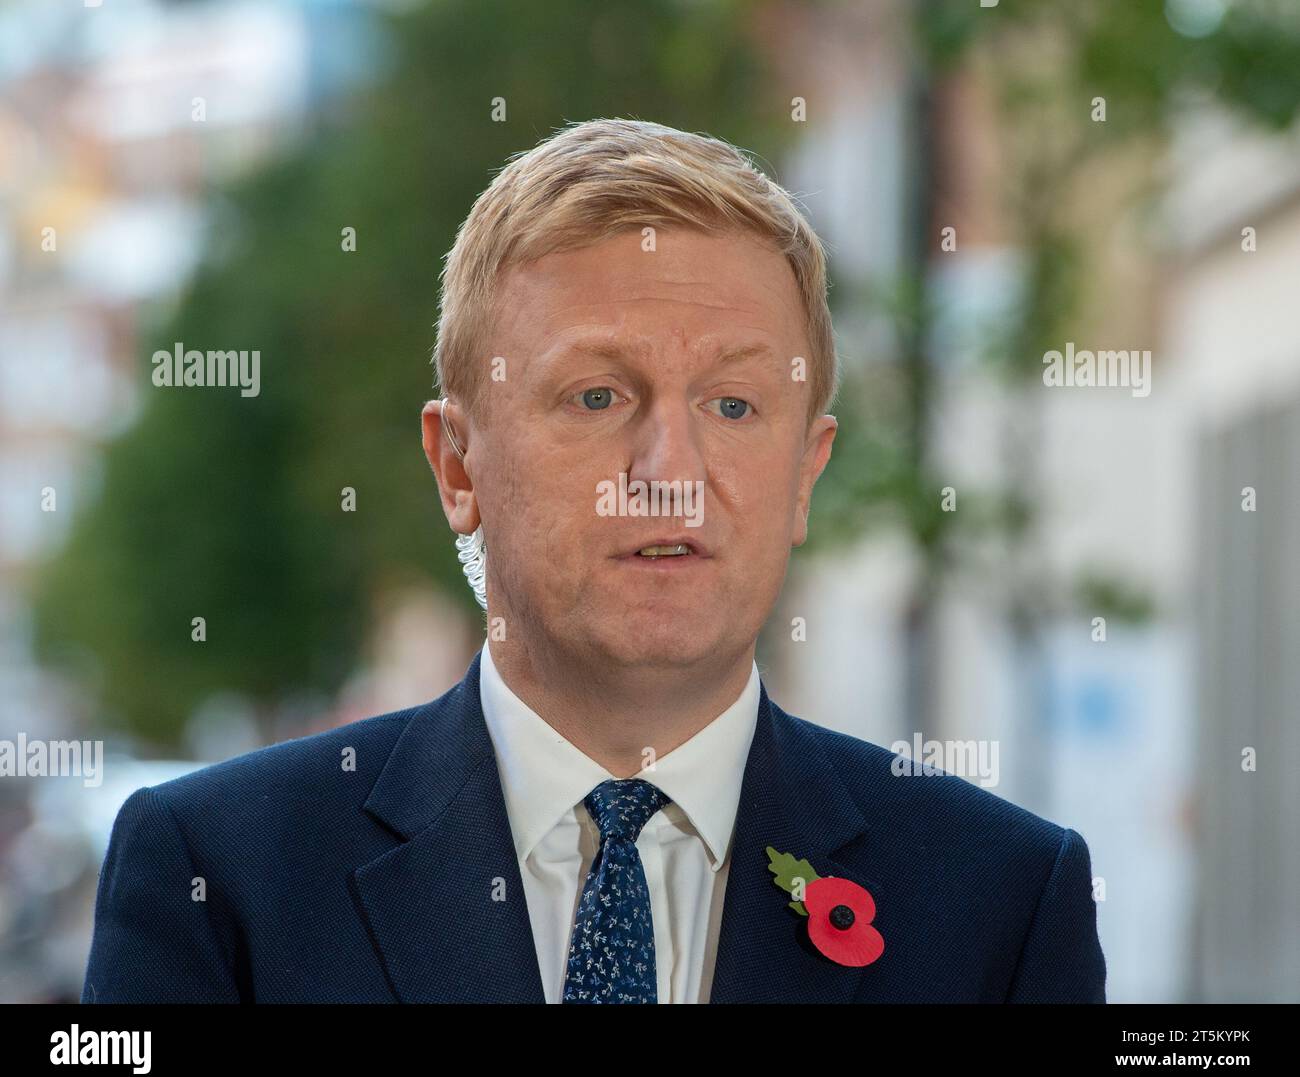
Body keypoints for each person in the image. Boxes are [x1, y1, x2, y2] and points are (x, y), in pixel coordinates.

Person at [81, 118, 1105, 1003]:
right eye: (596, 397)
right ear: (457, 466)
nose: (670, 471)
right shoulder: (221, 874)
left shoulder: (999, 898)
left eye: (734, 405)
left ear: (804, 471)